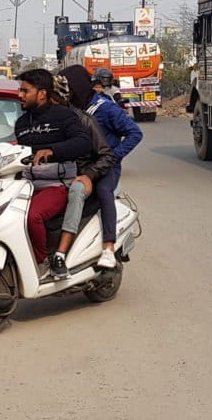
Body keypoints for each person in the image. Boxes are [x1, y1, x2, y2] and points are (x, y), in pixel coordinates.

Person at [13, 68, 95, 278]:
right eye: (20, 90)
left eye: (25, 91)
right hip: (26, 185)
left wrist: (54, 151)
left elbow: (83, 143)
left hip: (57, 184)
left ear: (42, 93)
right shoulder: (21, 123)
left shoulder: (64, 116)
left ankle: (42, 263)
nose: (19, 95)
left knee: (34, 217)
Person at [59, 64, 142, 269]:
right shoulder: (73, 110)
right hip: (81, 166)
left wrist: (115, 156)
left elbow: (135, 133)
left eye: (67, 88)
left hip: (106, 166)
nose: (65, 93)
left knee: (104, 191)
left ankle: (108, 247)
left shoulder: (106, 108)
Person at [49, 74, 116, 273]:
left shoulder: (85, 121)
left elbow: (106, 154)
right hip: (52, 176)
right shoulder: (40, 122)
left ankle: (61, 253)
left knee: (78, 191)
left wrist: (89, 174)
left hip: (85, 176)